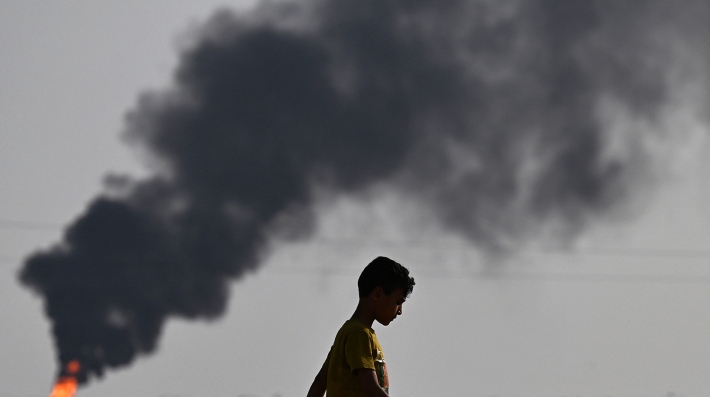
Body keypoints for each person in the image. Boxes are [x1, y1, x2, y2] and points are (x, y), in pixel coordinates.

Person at [306, 256, 415, 397]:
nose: (400, 311)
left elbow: (320, 382)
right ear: (377, 294)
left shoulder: (347, 332)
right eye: (398, 302)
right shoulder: (359, 334)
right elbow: (371, 388)